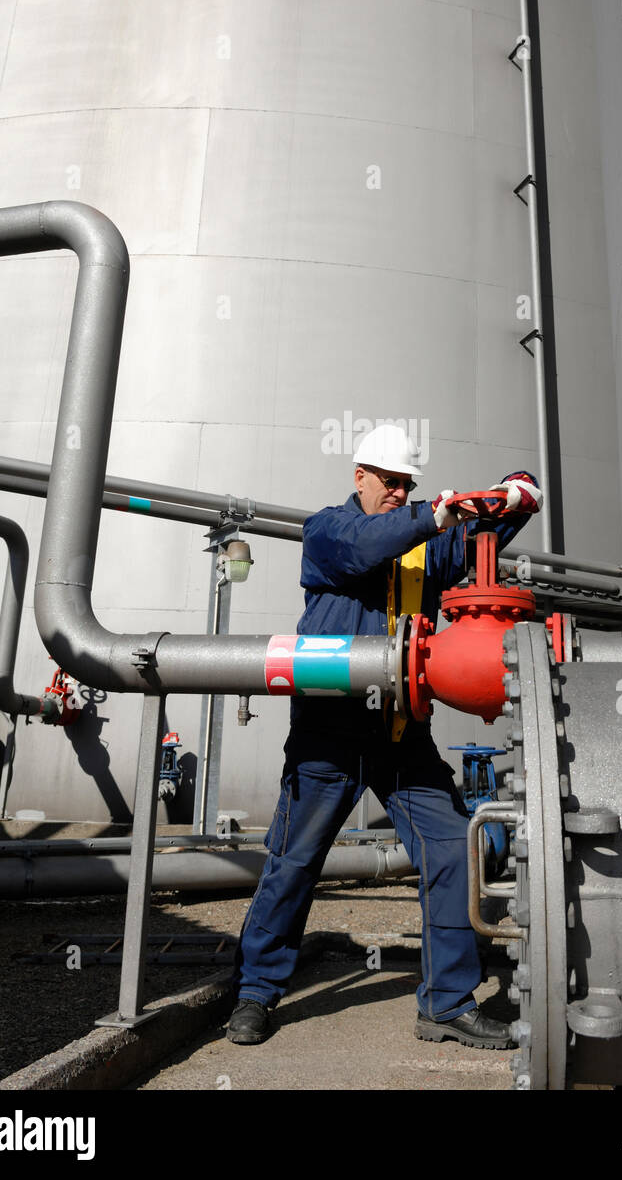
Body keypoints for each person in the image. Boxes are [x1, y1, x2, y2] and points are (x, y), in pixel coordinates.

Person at [227, 424, 542, 1048]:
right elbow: (366, 548)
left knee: (453, 851)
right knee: (294, 862)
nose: (398, 492)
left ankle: (446, 1004)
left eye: (406, 485)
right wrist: (432, 515)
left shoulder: (429, 545)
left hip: (400, 734)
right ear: (360, 477)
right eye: (388, 481)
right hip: (327, 735)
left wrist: (517, 494)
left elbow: (482, 530)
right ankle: (255, 993)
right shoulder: (328, 531)